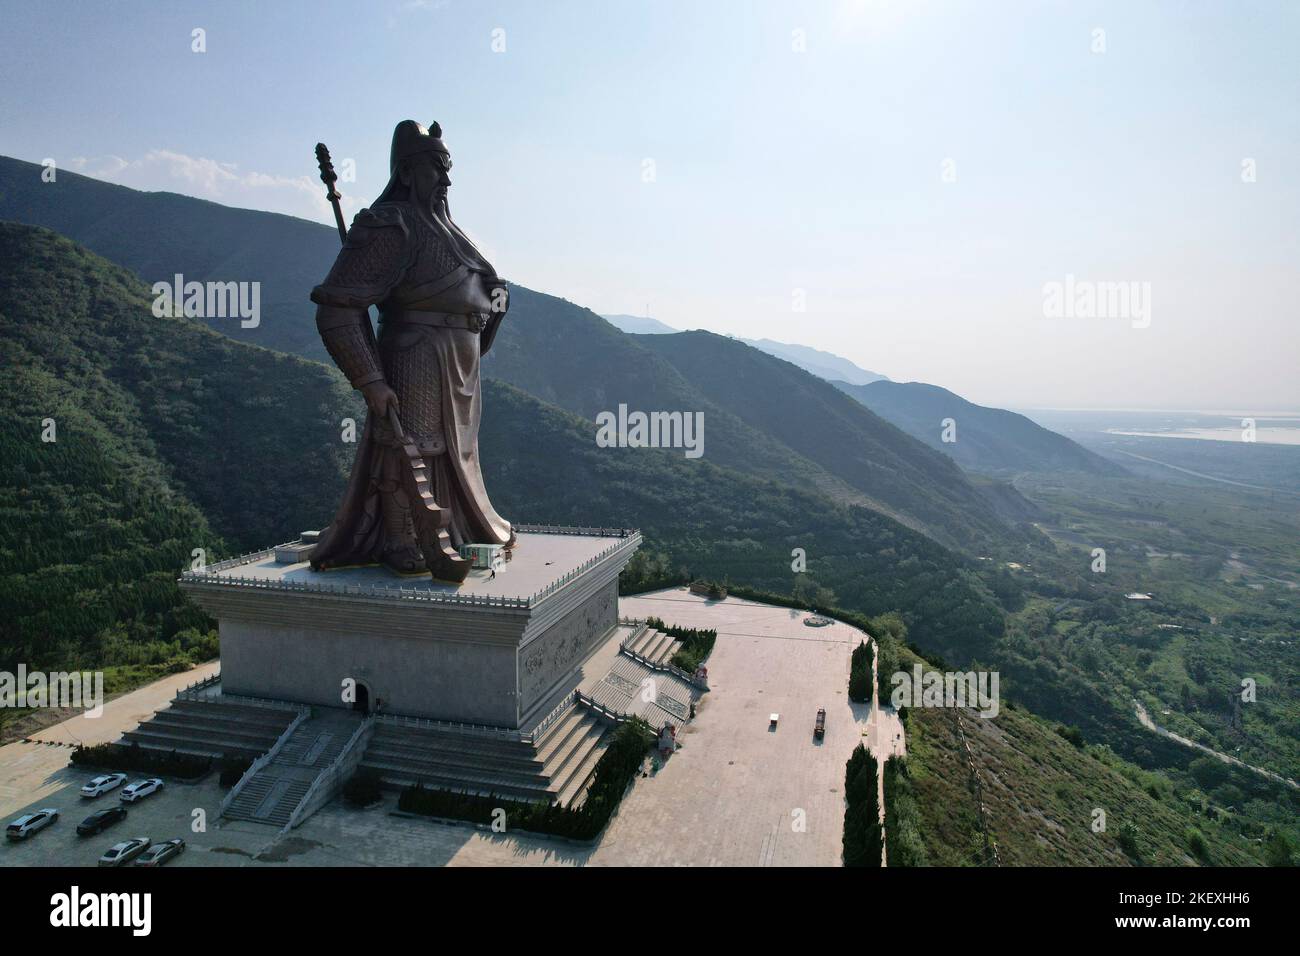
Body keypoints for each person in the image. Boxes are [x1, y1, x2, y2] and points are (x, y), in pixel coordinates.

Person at [309, 120, 513, 582]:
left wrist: (494, 303)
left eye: (448, 168)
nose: (446, 179)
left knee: (454, 452)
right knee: (414, 447)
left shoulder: (449, 231)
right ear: (407, 171)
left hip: (459, 362)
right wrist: (371, 378)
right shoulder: (390, 225)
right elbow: (339, 309)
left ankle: (456, 528)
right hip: (417, 353)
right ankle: (403, 538)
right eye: (437, 168)